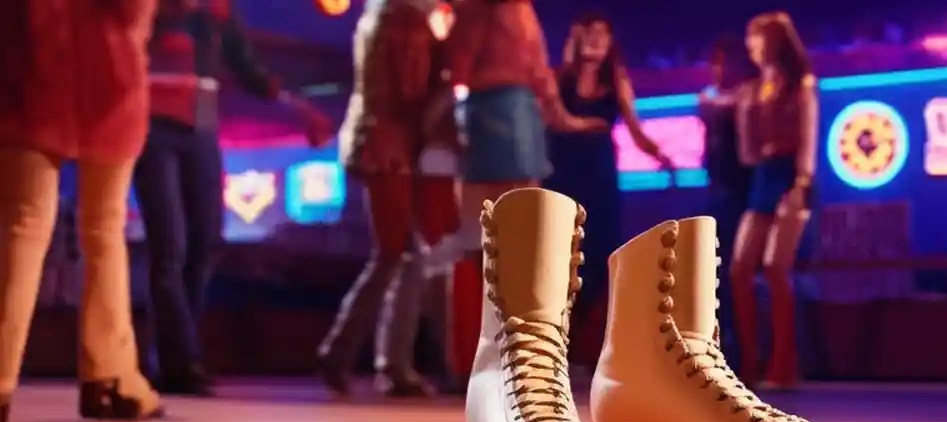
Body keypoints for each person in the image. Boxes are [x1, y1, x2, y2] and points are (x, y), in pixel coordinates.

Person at [136, 0, 332, 397]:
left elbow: (247, 67)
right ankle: (179, 360)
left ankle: (177, 356)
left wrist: (299, 108)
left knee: (204, 239)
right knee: (169, 245)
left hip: (201, 127)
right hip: (151, 124)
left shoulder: (216, 11)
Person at [0, 0, 164, 422]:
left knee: (21, 226)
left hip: (27, 73)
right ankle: (109, 378)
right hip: (109, 80)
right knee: (104, 228)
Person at [442, 0, 605, 386]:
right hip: (500, 120)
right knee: (500, 244)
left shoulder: (501, 10)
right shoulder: (499, 11)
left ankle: (487, 359)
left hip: (501, 121)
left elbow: (460, 70)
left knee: (491, 244)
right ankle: (492, 359)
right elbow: (467, 71)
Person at [318, 0, 458, 397]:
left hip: (386, 140)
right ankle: (346, 353)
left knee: (404, 253)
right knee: (394, 251)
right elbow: (408, 89)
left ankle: (386, 362)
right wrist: (447, 67)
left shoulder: (386, 16)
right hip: (387, 143)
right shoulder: (402, 20)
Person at [545, 13, 672, 366]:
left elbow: (635, 128)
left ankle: (576, 343)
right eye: (590, 32)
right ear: (576, 36)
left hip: (599, 177)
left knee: (598, 258)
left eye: (604, 34)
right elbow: (550, 119)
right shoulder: (559, 79)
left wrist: (660, 155)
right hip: (562, 174)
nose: (596, 39)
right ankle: (551, 342)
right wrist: (583, 124)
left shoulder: (617, 81)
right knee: (558, 260)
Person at [730, 12, 817, 390]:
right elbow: (747, 155)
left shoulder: (801, 83)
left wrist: (801, 183)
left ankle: (784, 365)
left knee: (776, 267)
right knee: (739, 268)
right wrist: (743, 116)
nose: (752, 46)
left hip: (790, 176)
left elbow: (809, 138)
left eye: (758, 38)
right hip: (763, 176)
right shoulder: (752, 89)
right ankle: (750, 361)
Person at [698, 34, 757, 367]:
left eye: (722, 62)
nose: (716, 69)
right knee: (713, 270)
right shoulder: (711, 99)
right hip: (717, 189)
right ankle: (718, 343)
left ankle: (742, 350)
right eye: (713, 62)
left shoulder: (748, 95)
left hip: (742, 193)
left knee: (737, 270)